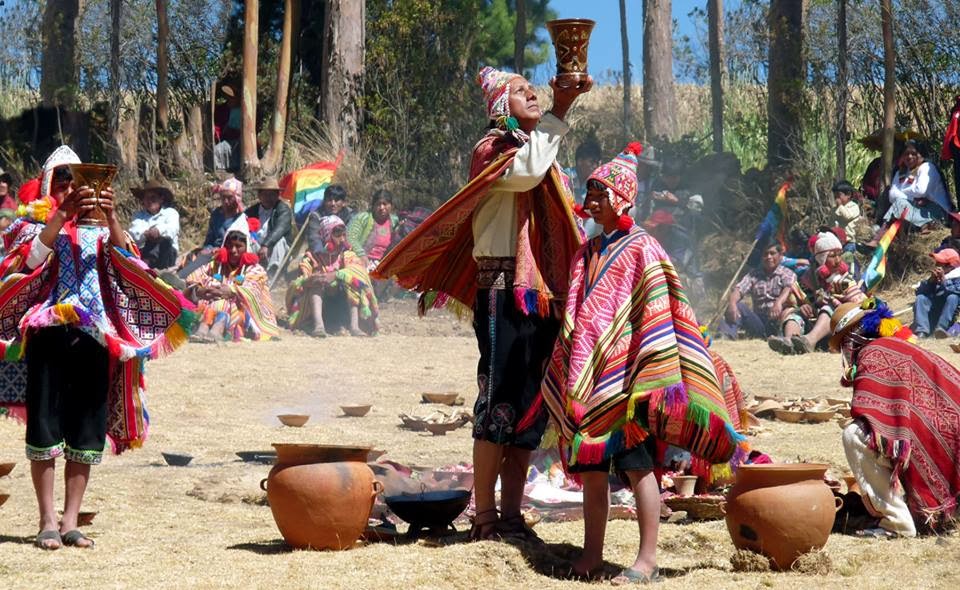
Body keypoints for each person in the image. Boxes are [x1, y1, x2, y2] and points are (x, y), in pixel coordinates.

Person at [373, 66, 590, 541]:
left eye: (531, 88)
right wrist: (562, 109)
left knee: (529, 408)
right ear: (498, 108)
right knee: (496, 404)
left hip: (543, 298)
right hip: (502, 292)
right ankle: (485, 514)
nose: (531, 93)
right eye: (519, 91)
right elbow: (526, 176)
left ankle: (512, 515)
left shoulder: (543, 155)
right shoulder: (492, 151)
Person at [530, 146, 745, 582]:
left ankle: (647, 559)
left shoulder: (643, 247)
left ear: (621, 200)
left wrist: (647, 366)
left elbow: (660, 306)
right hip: (589, 378)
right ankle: (592, 556)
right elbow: (578, 309)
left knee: (637, 465)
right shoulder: (586, 251)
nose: (590, 202)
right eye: (588, 193)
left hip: (627, 377)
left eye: (599, 194)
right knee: (591, 470)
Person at [0, 146, 195, 550]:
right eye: (64, 180)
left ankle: (71, 520)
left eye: (79, 181)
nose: (72, 187)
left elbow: (131, 263)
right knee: (45, 425)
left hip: (96, 337)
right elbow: (29, 263)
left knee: (86, 427)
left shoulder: (104, 230)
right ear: (51, 184)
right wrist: (61, 216)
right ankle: (46, 520)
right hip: (48, 332)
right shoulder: (29, 224)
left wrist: (111, 216)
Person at [830, 298, 960, 538]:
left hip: (945, 432)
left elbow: (872, 416)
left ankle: (896, 523)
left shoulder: (873, 355)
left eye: (843, 345)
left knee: (855, 435)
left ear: (852, 337)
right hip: (953, 432)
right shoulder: (899, 346)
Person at [185, 215, 279, 342]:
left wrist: (231, 291)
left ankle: (216, 327)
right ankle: (206, 326)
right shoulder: (214, 265)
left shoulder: (256, 270)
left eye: (238, 246)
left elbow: (252, 291)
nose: (233, 250)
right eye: (229, 246)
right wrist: (200, 291)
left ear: (247, 247)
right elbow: (193, 279)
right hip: (211, 306)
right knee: (213, 299)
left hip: (242, 312)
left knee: (225, 302)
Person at [770, 231, 864, 355]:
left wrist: (835, 303)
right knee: (794, 313)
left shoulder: (845, 280)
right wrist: (803, 306)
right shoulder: (808, 279)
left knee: (828, 308)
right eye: (831, 256)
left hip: (840, 329)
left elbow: (859, 306)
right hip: (814, 324)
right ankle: (790, 342)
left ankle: (809, 341)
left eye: (839, 255)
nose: (837, 260)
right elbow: (798, 300)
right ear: (821, 259)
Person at [285, 215, 379, 337]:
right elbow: (300, 281)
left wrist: (336, 275)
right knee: (316, 283)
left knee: (353, 281)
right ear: (327, 234)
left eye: (344, 234)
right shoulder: (312, 256)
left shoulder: (347, 253)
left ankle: (354, 326)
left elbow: (358, 272)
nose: (342, 238)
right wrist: (311, 279)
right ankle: (319, 326)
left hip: (342, 303)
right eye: (337, 234)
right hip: (319, 304)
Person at [718, 241, 796, 340]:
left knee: (790, 315)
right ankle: (725, 336)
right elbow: (739, 289)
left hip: (779, 320)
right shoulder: (753, 275)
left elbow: (788, 289)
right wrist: (732, 303)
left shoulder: (788, 273)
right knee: (737, 306)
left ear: (780, 256)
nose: (768, 257)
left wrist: (778, 302)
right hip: (759, 322)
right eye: (765, 254)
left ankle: (785, 339)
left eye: (772, 253)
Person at [876, 140, 953, 233]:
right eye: (906, 154)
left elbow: (920, 190)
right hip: (916, 209)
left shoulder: (927, 167)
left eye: (913, 153)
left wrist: (902, 194)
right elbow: (892, 196)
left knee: (900, 203)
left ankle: (881, 233)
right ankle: (884, 233)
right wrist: (913, 200)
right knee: (899, 203)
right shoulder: (900, 172)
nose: (909, 156)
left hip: (936, 212)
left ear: (921, 155)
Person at [347, 189, 400, 299]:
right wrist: (362, 255)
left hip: (383, 262)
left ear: (391, 205)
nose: (381, 208)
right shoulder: (363, 218)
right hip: (363, 260)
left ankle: (383, 295)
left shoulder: (394, 221)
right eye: (378, 204)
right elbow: (350, 238)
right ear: (373, 206)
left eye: (385, 204)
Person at [244, 177, 292, 277]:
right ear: (259, 195)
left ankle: (271, 273)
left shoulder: (283, 209)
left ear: (277, 195)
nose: (268, 198)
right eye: (265, 194)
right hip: (257, 246)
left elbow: (280, 228)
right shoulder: (250, 211)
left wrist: (266, 245)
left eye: (272, 195)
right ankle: (250, 271)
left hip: (274, 246)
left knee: (280, 241)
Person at [128, 179, 180, 270]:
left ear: (161, 199)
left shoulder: (171, 213)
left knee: (164, 241)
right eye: (146, 198)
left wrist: (158, 231)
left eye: (153, 197)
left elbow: (172, 229)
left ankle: (147, 266)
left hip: (166, 253)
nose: (150, 201)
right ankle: (144, 265)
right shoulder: (138, 216)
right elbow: (133, 233)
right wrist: (146, 234)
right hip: (144, 252)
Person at [912, 248, 960, 338]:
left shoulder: (957, 276)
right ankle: (922, 331)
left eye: (940, 263)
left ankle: (941, 329)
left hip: (951, 313)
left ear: (950, 266)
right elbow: (919, 292)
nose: (937, 265)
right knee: (921, 298)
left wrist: (943, 281)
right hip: (935, 309)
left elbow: (956, 291)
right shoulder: (936, 276)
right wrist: (930, 281)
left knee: (953, 297)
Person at [305, 184, 353, 254]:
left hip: (346, 252)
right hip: (324, 253)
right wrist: (323, 255)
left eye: (336, 200)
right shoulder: (316, 216)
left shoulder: (350, 215)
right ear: (324, 201)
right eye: (329, 200)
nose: (333, 204)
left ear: (344, 203)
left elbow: (353, 238)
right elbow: (314, 239)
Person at [213, 85, 242, 171]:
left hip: (239, 139)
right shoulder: (223, 110)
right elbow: (219, 128)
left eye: (232, 98)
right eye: (228, 98)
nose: (229, 100)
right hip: (225, 139)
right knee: (217, 150)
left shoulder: (243, 111)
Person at [832, 180, 862, 249]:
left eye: (838, 195)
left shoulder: (853, 206)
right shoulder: (835, 208)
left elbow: (847, 216)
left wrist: (840, 206)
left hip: (849, 242)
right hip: (836, 240)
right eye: (835, 195)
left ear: (848, 194)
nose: (836, 198)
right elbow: (831, 221)